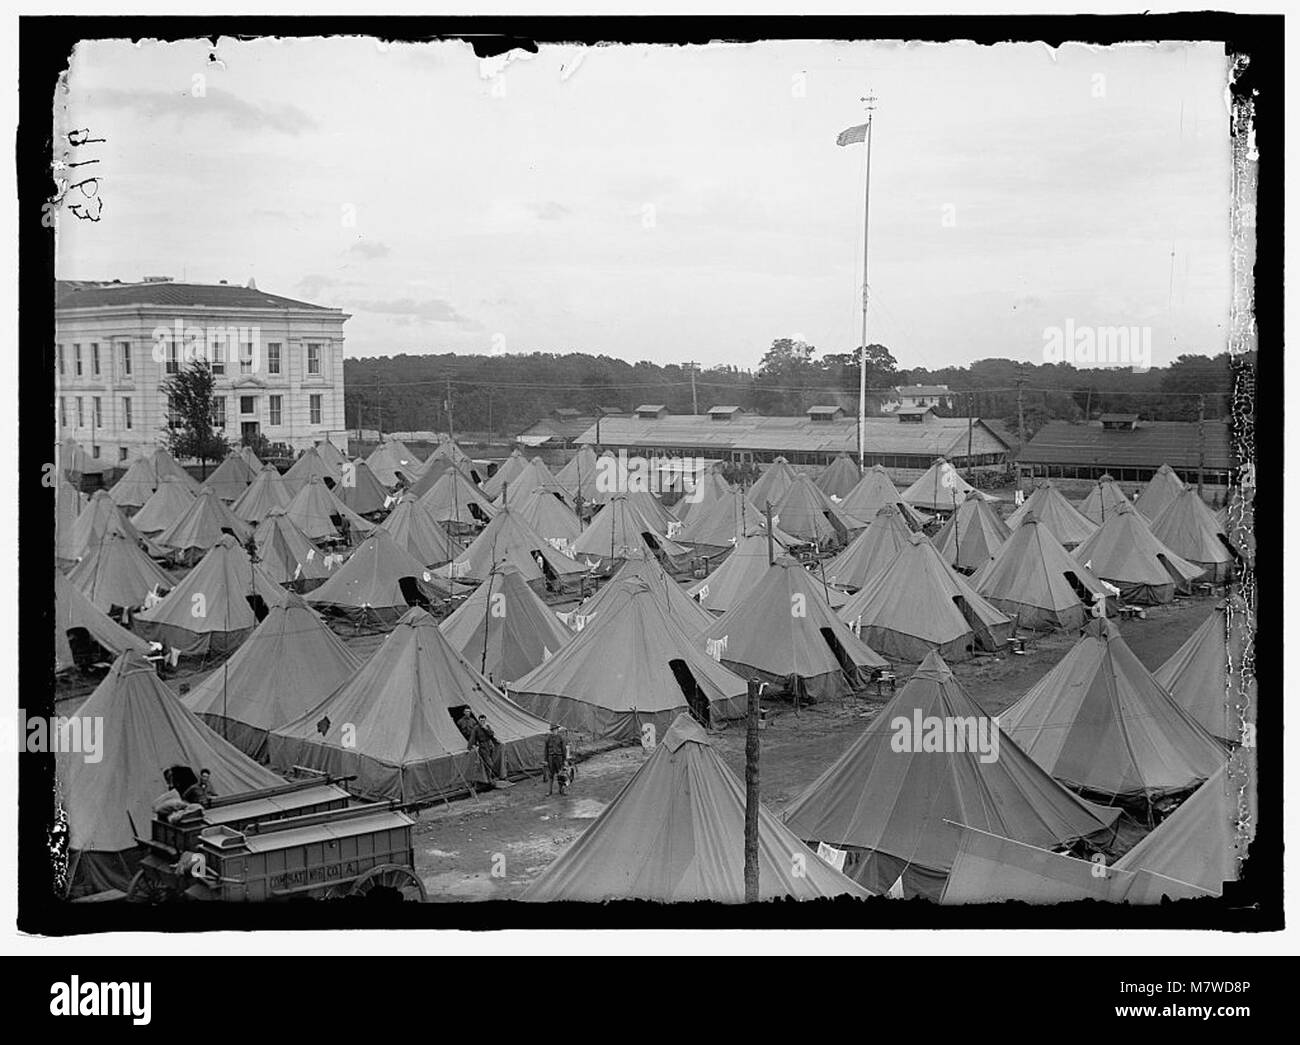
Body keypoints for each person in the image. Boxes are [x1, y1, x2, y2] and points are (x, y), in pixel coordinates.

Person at [472, 714, 503, 780]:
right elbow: (473, 738)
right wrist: (473, 746)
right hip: (483, 746)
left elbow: (492, 734)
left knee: (492, 761)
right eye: (481, 720)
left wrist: (486, 729)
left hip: (490, 745)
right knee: (489, 763)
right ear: (479, 720)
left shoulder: (487, 726)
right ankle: (490, 777)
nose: (482, 722)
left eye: (483, 720)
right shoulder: (476, 728)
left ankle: (491, 776)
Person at [544, 724, 567, 796]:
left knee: (560, 775)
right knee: (550, 775)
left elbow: (564, 749)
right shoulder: (548, 739)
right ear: (551, 731)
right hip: (550, 758)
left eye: (555, 729)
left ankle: (561, 791)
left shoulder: (561, 738)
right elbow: (546, 750)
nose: (554, 731)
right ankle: (549, 791)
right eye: (553, 730)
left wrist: (564, 759)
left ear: (557, 730)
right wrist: (545, 760)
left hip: (559, 758)